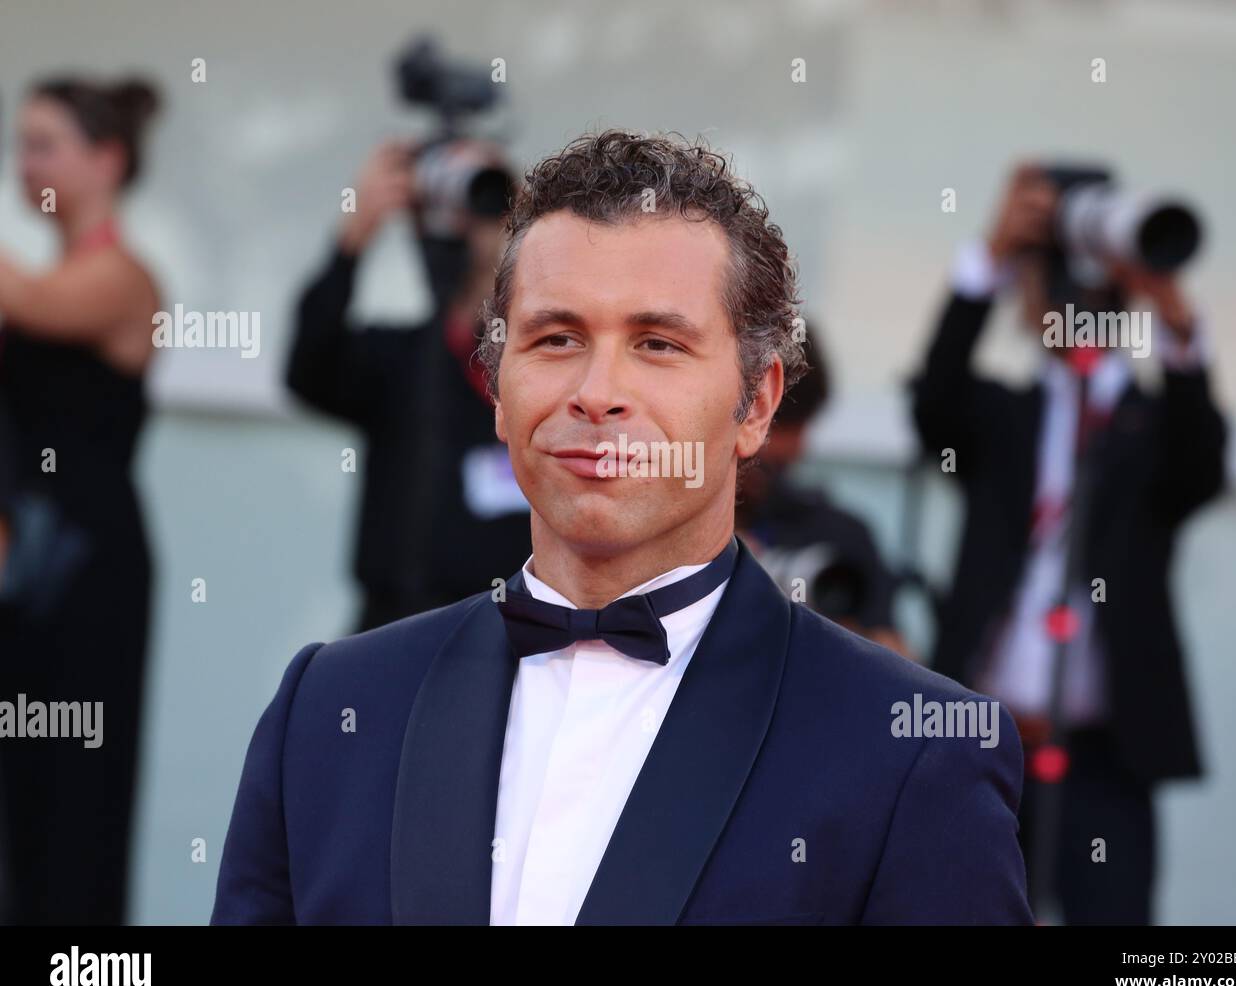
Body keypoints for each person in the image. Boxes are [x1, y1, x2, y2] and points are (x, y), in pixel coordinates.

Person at [212, 130, 1031, 926]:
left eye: (657, 344)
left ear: (757, 403)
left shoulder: (910, 753)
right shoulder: (331, 710)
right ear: (498, 388)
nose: (597, 392)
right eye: (557, 337)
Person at [910, 164, 1228, 924]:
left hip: (1104, 757)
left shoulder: (1153, 433)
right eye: (1050, 285)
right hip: (983, 740)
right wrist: (993, 256)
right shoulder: (999, 419)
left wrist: (1170, 309)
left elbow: (1202, 469)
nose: (1071, 305)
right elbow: (934, 406)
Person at [0, 76, 162, 924]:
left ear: (107, 159)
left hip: (90, 575)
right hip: (21, 569)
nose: (28, 164)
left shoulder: (125, 280)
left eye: (46, 144)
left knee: (76, 806)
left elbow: (32, 302)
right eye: (21, 144)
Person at [286, 138, 532, 632]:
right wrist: (357, 230)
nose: (471, 220)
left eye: (487, 198)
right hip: (389, 622)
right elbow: (308, 368)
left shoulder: (540, 359)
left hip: (510, 624)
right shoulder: (399, 357)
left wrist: (524, 240)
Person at [736, 322, 908, 656]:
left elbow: (899, 664)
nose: (796, 447)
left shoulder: (840, 536)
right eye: (784, 422)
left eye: (797, 423)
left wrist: (839, 634)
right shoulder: (665, 533)